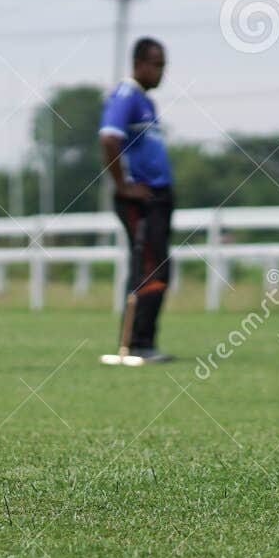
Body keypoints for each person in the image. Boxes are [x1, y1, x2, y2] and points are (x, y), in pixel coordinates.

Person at [99, 37, 175, 363]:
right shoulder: (126, 96)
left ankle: (146, 341)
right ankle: (134, 343)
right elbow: (109, 137)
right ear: (140, 64)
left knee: (158, 266)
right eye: (156, 65)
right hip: (140, 198)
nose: (161, 72)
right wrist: (124, 186)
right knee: (146, 265)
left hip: (158, 196)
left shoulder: (147, 102)